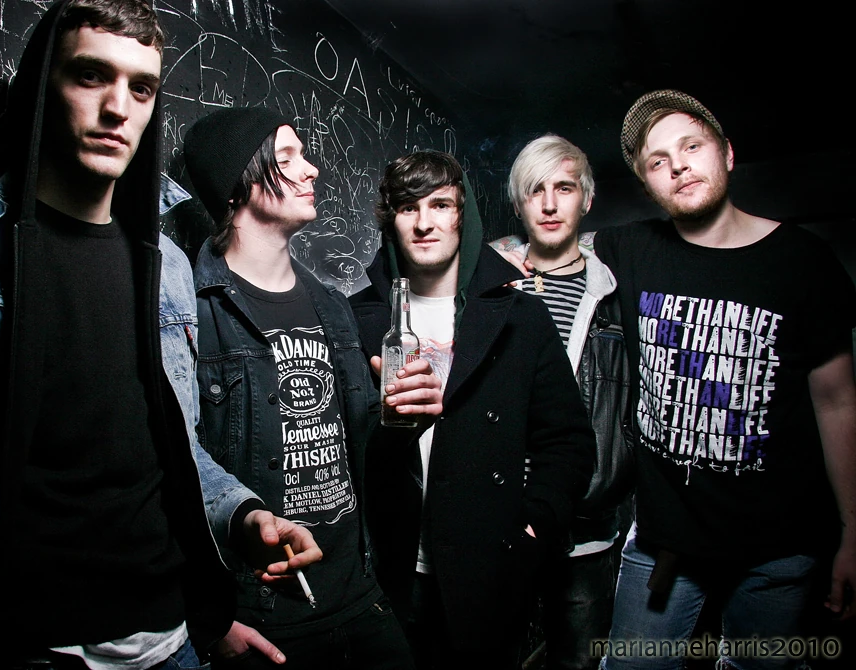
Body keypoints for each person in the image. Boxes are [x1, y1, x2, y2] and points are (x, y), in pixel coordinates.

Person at [0, 2, 320, 668]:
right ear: (44, 84)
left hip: (172, 642)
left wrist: (244, 516)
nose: (118, 108)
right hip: (13, 647)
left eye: (141, 88)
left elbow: (171, 453)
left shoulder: (168, 267)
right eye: (91, 75)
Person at [589, 90, 856, 669]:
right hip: (663, 543)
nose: (678, 166)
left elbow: (837, 402)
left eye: (692, 146)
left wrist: (852, 534)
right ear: (648, 185)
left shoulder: (804, 261)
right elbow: (541, 246)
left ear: (727, 153)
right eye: (657, 161)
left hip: (780, 550)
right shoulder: (628, 249)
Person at [183, 108, 444, 669]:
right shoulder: (193, 309)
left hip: (361, 591)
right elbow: (178, 466)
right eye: (288, 158)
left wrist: (405, 417)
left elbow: (363, 451)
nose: (311, 169)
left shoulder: (332, 305)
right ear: (238, 183)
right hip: (264, 616)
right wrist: (211, 619)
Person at [347, 149, 595, 668]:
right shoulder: (353, 319)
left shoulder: (521, 317)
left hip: (488, 571)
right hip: (385, 572)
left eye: (440, 205)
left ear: (464, 214)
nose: (424, 224)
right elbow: (338, 443)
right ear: (391, 221)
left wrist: (534, 526)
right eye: (408, 207)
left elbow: (568, 442)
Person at [492, 134, 633, 670]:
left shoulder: (616, 295)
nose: (550, 205)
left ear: (587, 198)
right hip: (500, 514)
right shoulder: (489, 283)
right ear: (519, 203)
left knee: (578, 660)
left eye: (564, 188)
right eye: (535, 190)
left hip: (584, 525)